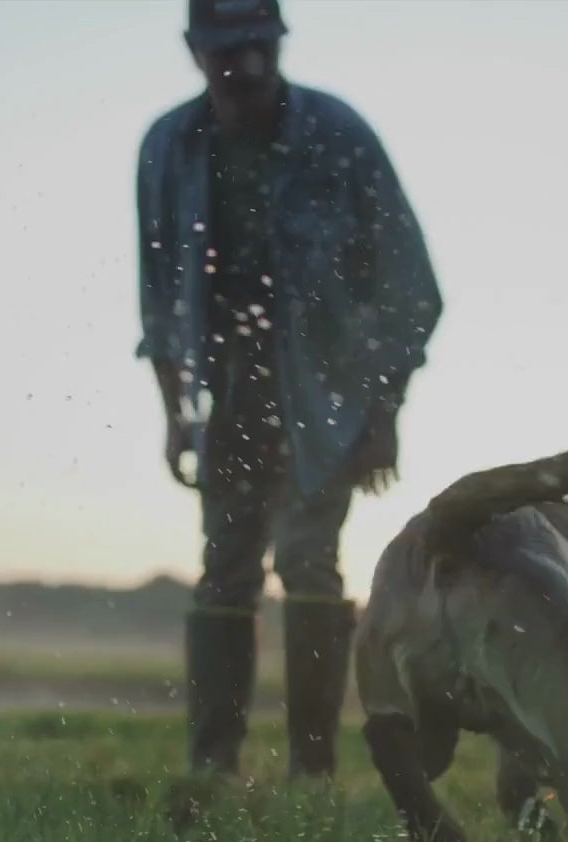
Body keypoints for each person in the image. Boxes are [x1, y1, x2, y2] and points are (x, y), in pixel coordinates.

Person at [134, 0, 444, 780]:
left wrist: (384, 411)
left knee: (309, 560)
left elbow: (411, 287)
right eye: (227, 54)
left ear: (279, 43)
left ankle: (313, 769)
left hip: (330, 394)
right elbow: (160, 294)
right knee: (226, 567)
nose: (246, 69)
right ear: (193, 53)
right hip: (228, 389)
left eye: (258, 49)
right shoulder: (168, 148)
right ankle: (214, 764)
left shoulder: (339, 134)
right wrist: (177, 415)